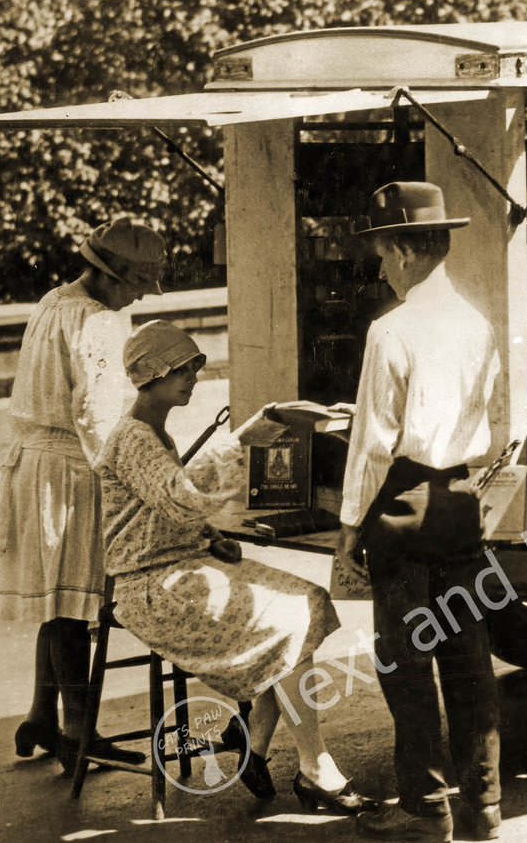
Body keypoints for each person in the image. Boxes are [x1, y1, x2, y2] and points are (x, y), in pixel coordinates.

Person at [97, 320, 374, 814]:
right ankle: (315, 769)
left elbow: (155, 511)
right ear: (150, 375)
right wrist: (252, 433)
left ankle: (254, 742)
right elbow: (180, 498)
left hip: (183, 569)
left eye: (193, 368)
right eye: (179, 370)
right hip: (153, 588)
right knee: (282, 623)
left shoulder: (152, 431)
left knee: (308, 601)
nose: (192, 379)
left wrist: (212, 537)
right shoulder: (133, 438)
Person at [336, 182, 503, 843]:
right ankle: (483, 803)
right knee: (468, 652)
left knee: (406, 660)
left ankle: (425, 805)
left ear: (405, 249)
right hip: (461, 499)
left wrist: (349, 525)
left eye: (382, 251)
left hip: (403, 502)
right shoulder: (475, 321)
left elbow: (373, 442)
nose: (379, 266)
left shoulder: (390, 330)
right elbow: (488, 412)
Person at [0, 218, 163, 768]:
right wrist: (129, 471)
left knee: (56, 598)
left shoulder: (51, 302)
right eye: (139, 282)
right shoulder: (99, 322)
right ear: (113, 276)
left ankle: (43, 715)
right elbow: (96, 413)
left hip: (32, 461)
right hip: (70, 466)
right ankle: (78, 730)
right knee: (75, 606)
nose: (141, 293)